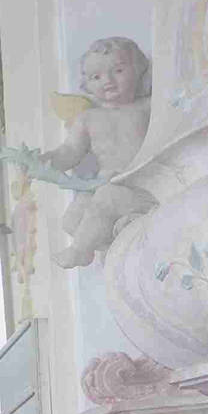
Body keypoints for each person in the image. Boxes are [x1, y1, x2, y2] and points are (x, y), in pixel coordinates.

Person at [44, 37, 154, 268]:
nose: (108, 81)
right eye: (96, 77)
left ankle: (80, 251)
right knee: (72, 219)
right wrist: (48, 160)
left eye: (118, 70)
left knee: (107, 198)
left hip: (145, 186)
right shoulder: (88, 119)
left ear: (139, 69)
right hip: (105, 185)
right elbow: (70, 151)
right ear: (86, 85)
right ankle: (118, 233)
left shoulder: (147, 107)